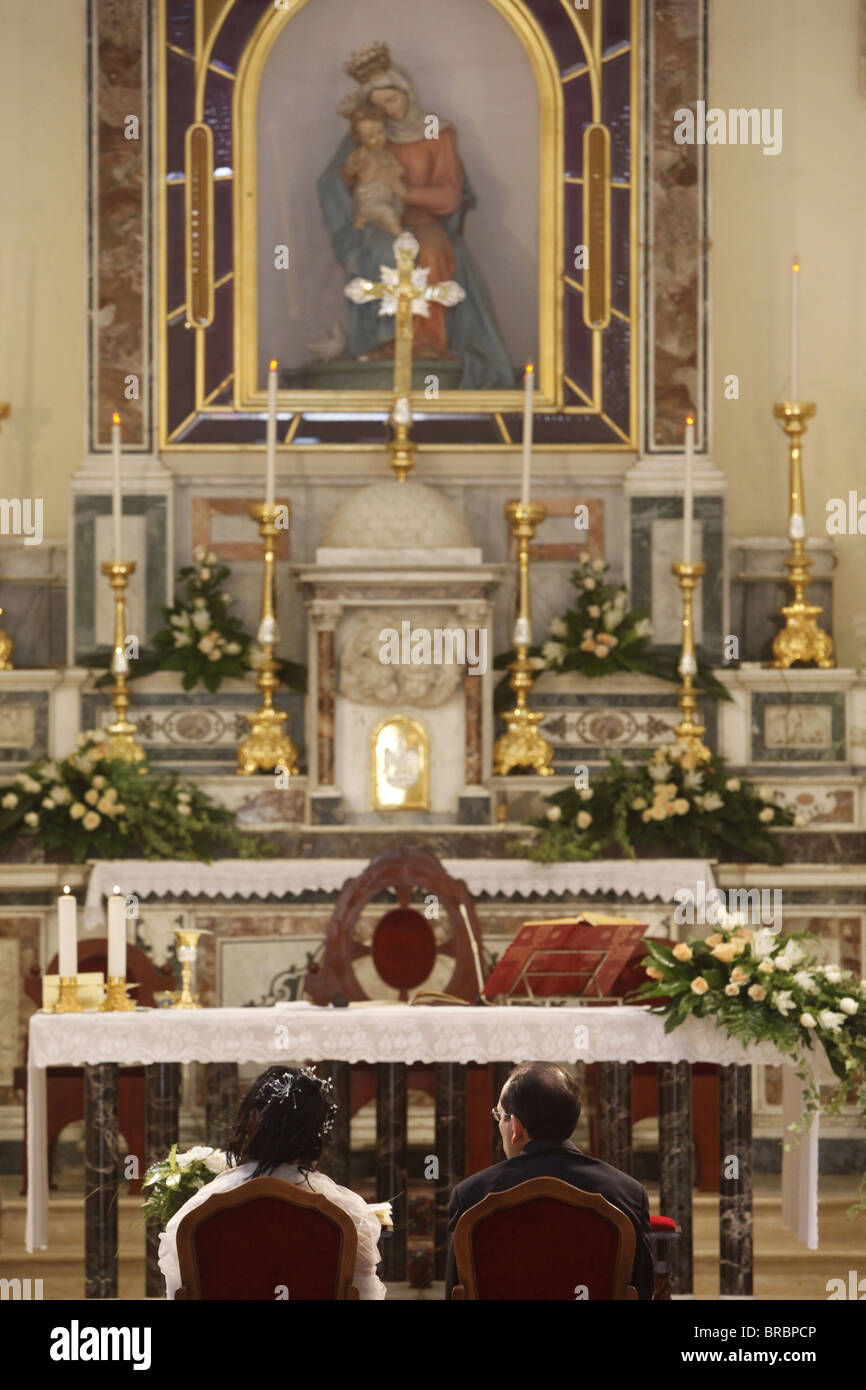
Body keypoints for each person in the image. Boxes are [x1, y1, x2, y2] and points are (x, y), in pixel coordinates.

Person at [318, 46, 514, 387]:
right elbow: (334, 181)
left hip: (424, 218)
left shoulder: (435, 130)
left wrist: (406, 192)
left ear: (407, 91)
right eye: (379, 105)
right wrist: (352, 174)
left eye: (393, 99)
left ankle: (426, 343)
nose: (389, 110)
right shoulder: (370, 132)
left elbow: (450, 195)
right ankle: (384, 341)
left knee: (432, 251)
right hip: (379, 219)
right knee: (381, 252)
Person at [158, 1065, 386, 1300]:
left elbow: (178, 1292)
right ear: (316, 1133)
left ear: (251, 1122)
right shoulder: (346, 1216)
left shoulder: (198, 1215)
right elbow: (364, 1295)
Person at [445, 1062, 655, 1300]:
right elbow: (642, 1292)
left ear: (515, 1127)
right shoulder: (628, 1193)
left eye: (500, 1116)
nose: (499, 1125)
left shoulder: (470, 1196)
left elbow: (455, 1293)